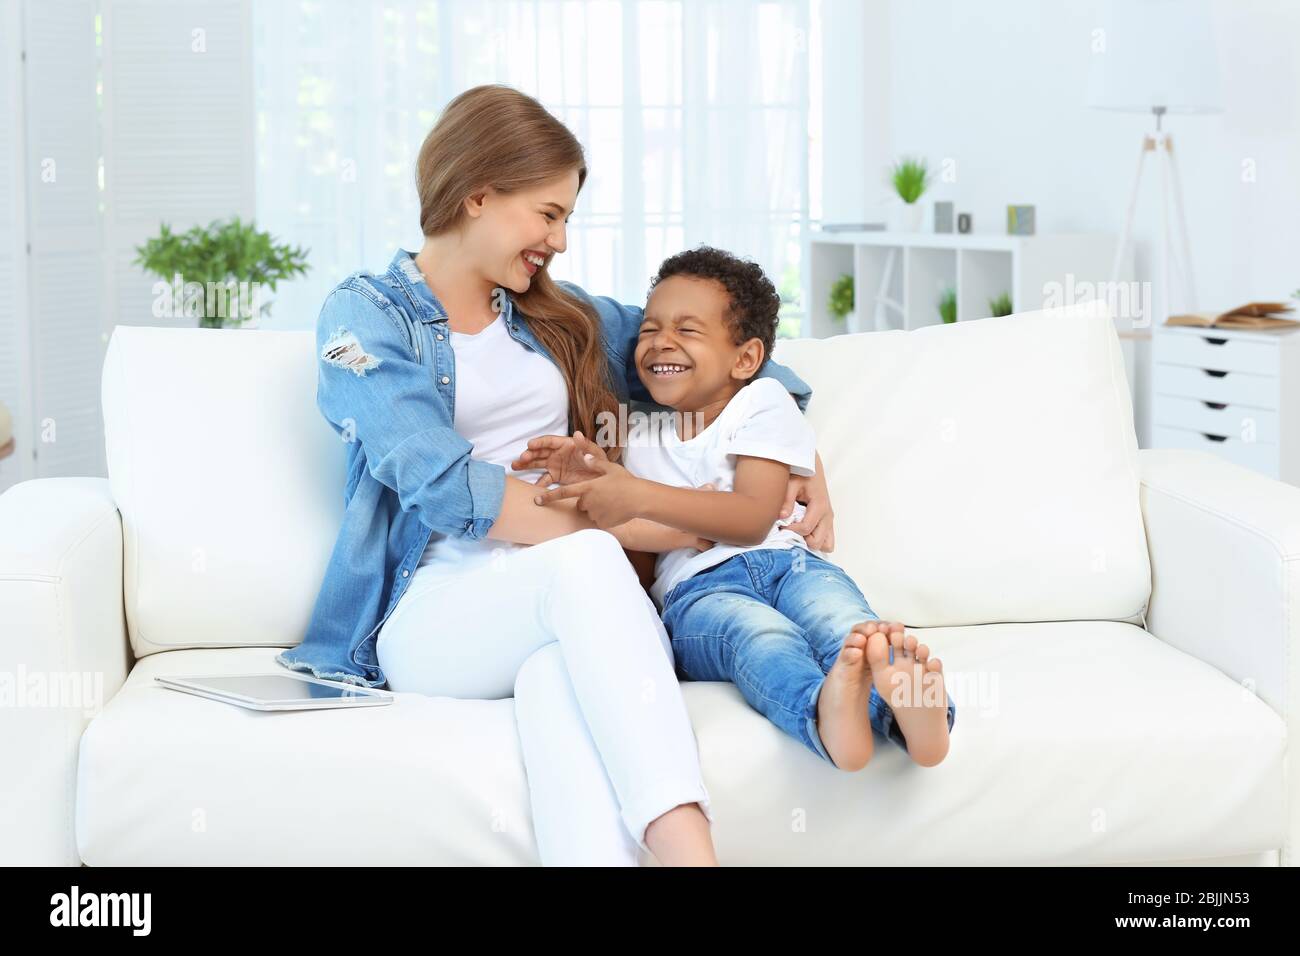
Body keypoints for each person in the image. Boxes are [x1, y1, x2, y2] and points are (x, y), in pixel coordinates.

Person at [276, 87, 839, 866]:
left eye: (566, 218)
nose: (561, 240)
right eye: (549, 214)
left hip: (557, 609)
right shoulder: (364, 318)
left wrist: (796, 455)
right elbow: (440, 485)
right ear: (478, 193)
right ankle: (690, 851)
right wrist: (634, 519)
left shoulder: (558, 314)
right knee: (587, 559)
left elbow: (736, 361)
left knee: (557, 686)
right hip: (436, 609)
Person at [527, 246, 955, 771]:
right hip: (697, 593)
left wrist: (646, 498)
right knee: (758, 637)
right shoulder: (635, 434)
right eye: (650, 329)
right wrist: (595, 481)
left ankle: (914, 715)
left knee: (846, 626)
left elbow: (752, 519)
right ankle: (824, 711)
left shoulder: (763, 403)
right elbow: (627, 528)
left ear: (746, 359)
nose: (661, 341)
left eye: (687, 331)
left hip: (791, 563)